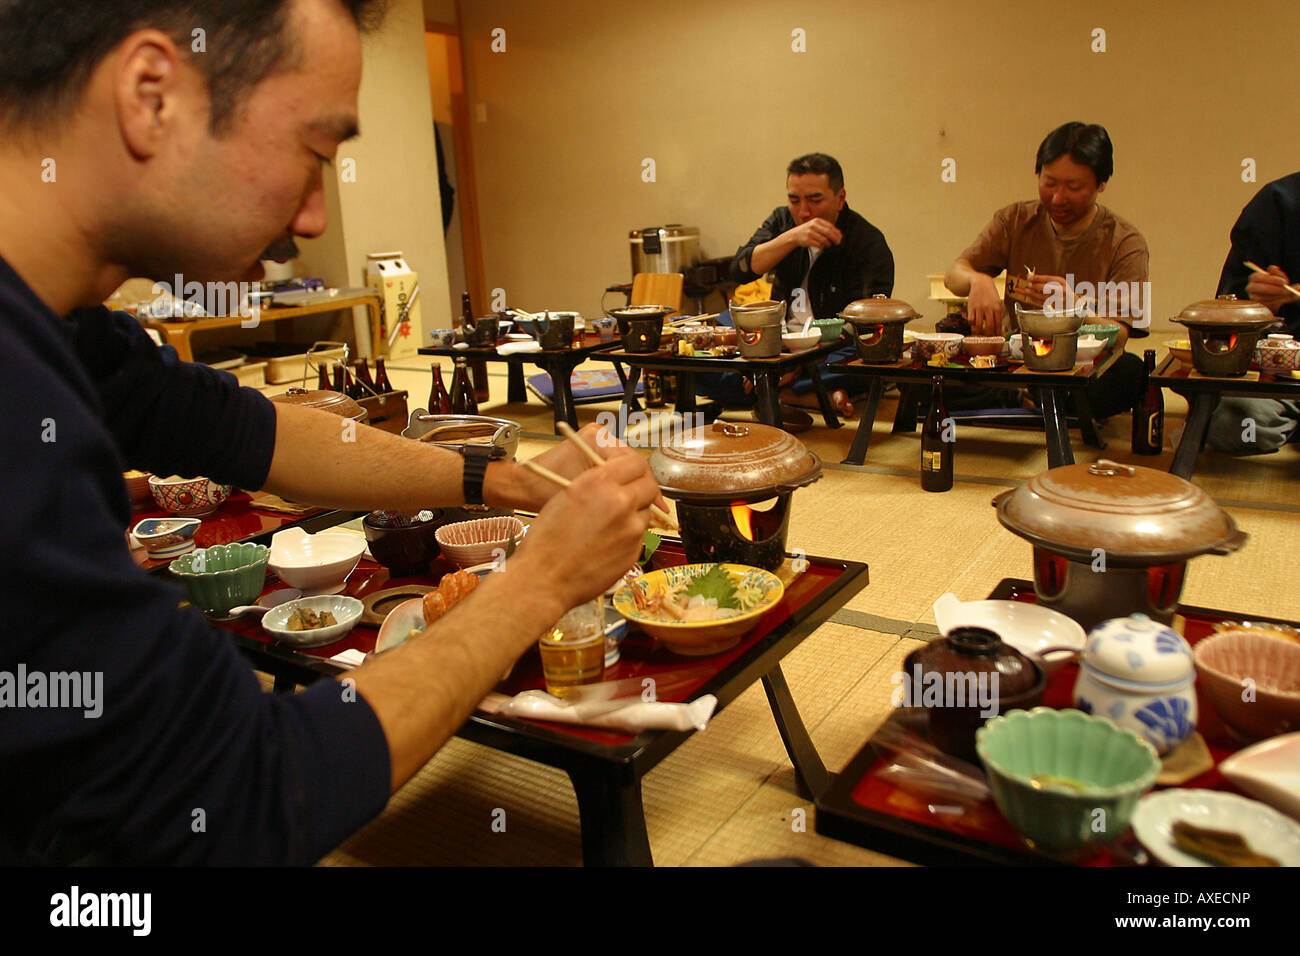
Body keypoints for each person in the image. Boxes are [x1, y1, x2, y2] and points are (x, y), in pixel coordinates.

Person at [0, 0, 661, 865]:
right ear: (150, 93)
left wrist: (500, 482)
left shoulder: (66, 323)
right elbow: (242, 792)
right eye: (314, 153)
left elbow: (244, 430)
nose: (315, 217)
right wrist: (538, 584)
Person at [945, 122, 1147, 419]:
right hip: (1017, 360)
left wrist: (1076, 307)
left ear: (1101, 184)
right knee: (930, 365)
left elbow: (1120, 335)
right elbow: (954, 274)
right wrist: (978, 279)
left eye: (1073, 187)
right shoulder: (1014, 220)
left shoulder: (1125, 241)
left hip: (1078, 367)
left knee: (1132, 372)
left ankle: (1028, 399)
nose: (1057, 198)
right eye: (1049, 183)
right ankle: (1025, 398)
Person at [698, 153, 894, 420]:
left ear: (840, 197)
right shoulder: (783, 222)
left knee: (868, 363)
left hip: (828, 348)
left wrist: (797, 364)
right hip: (775, 341)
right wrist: (790, 238)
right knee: (701, 345)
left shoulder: (867, 242)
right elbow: (740, 269)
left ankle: (775, 387)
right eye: (794, 200)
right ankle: (803, 395)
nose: (804, 212)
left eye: (815, 200)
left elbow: (870, 324)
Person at [1205, 171, 1300, 454]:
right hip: (1283, 378)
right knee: (1236, 422)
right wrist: (1259, 306)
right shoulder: (1278, 202)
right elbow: (1223, 312)